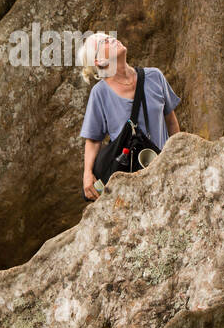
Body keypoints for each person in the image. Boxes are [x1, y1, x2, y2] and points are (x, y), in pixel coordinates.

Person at [76, 32, 181, 201]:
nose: (112, 39)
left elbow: (171, 122)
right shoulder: (100, 93)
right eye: (104, 42)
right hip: (130, 183)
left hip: (165, 170)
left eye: (110, 37)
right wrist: (87, 174)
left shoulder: (155, 76)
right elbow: (94, 140)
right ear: (100, 61)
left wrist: (178, 156)